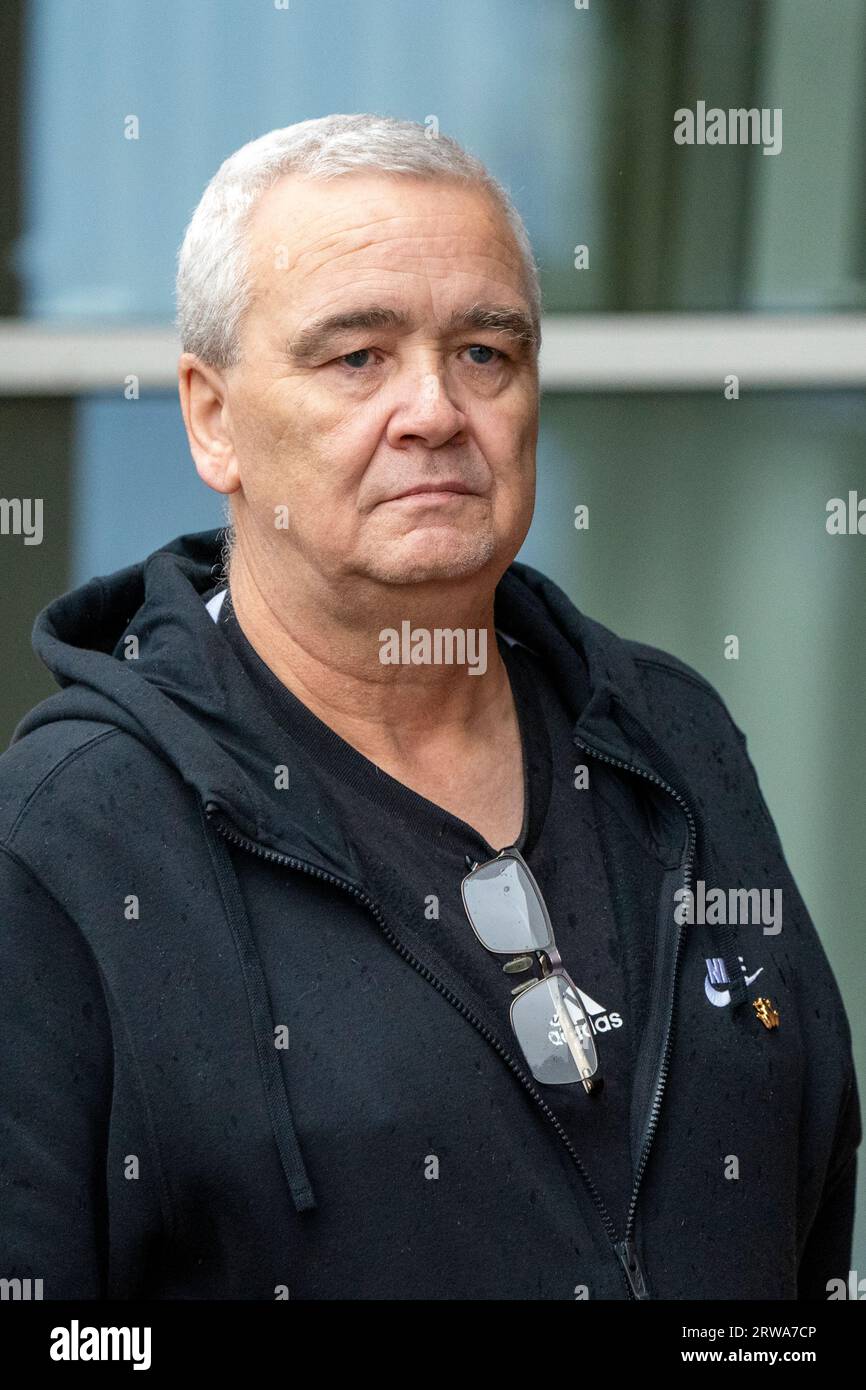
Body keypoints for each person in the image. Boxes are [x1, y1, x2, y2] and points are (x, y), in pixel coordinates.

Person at [0, 114, 859, 1300]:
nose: (434, 412)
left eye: (484, 354)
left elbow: (805, 1190)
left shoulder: (670, 738)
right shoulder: (69, 841)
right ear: (211, 417)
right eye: (356, 358)